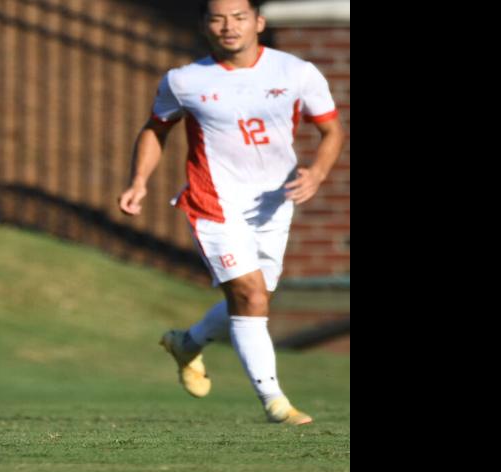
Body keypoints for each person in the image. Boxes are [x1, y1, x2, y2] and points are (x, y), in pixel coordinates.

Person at [118, 0, 343, 425]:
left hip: (274, 204)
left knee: (254, 301)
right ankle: (275, 402)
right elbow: (155, 129)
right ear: (205, 25)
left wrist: (317, 172)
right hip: (212, 202)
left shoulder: (296, 72)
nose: (228, 26)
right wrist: (138, 181)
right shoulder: (185, 80)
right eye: (218, 18)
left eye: (239, 17)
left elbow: (331, 130)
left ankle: (188, 343)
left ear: (258, 22)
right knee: (250, 296)